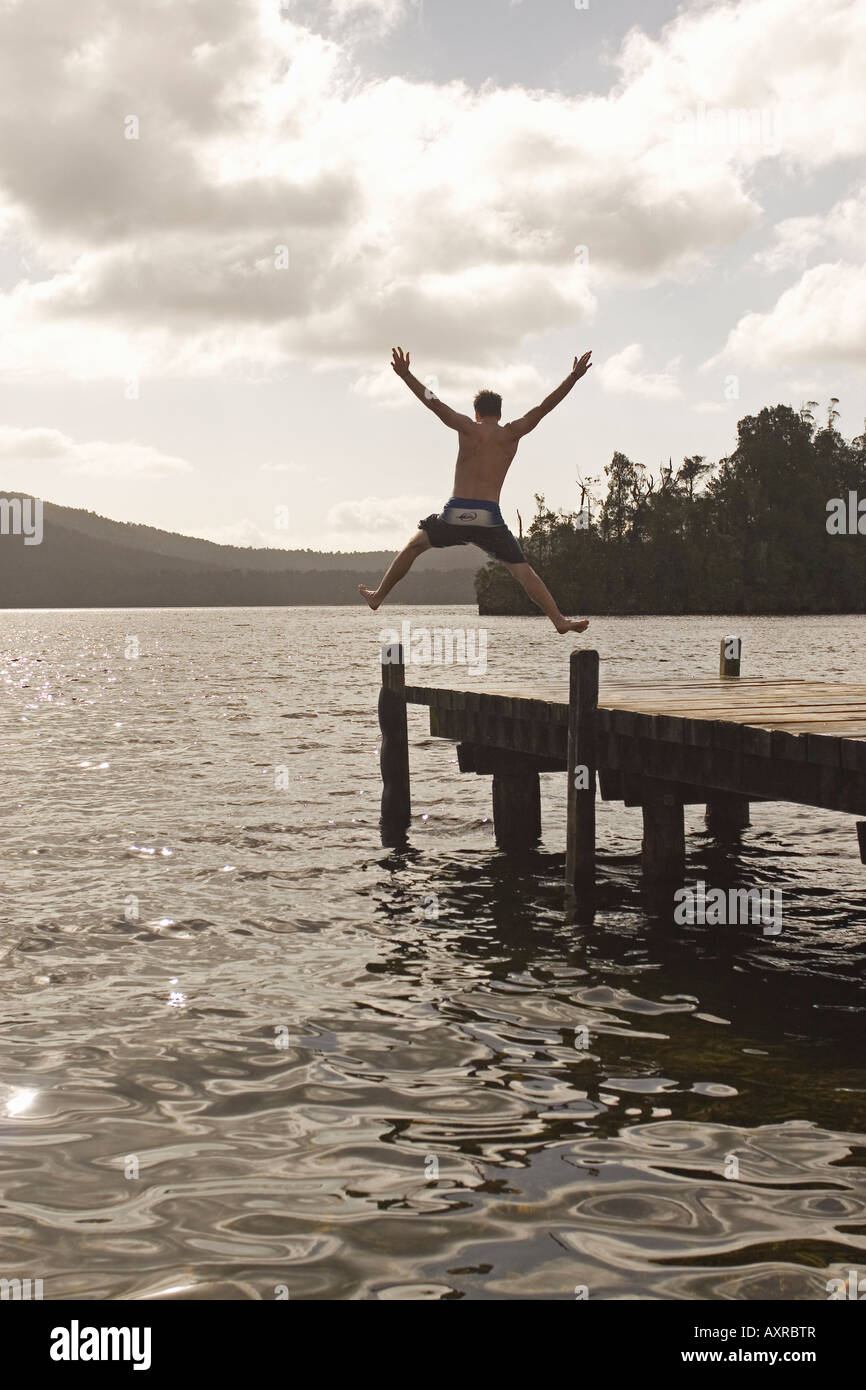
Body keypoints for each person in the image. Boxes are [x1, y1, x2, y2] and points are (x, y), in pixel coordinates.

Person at [359, 347, 592, 633]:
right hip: (489, 517)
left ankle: (378, 595)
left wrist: (407, 375)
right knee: (523, 572)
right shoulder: (512, 433)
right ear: (500, 412)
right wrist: (573, 377)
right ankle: (559, 620)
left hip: (456, 513)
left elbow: (435, 403)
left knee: (414, 546)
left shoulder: (468, 428)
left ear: (477, 412)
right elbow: (545, 406)